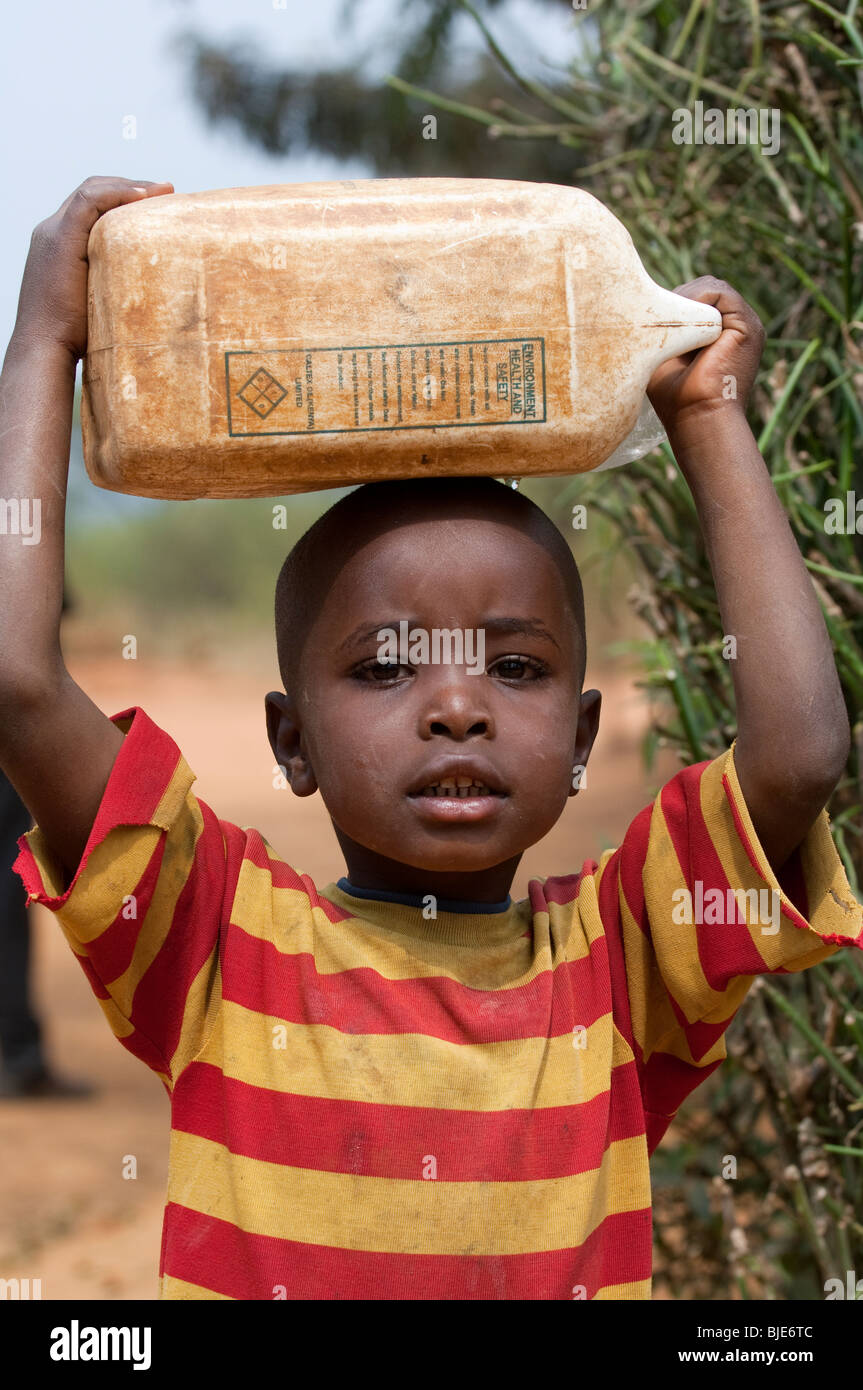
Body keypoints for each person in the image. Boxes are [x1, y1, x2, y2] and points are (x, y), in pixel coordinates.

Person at [1, 176, 860, 1300]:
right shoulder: (217, 944)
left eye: (515, 666)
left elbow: (796, 754)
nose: (457, 706)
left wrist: (706, 420)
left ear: (581, 736)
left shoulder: (622, 966)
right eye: (383, 666)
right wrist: (47, 337)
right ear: (290, 740)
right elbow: (18, 681)